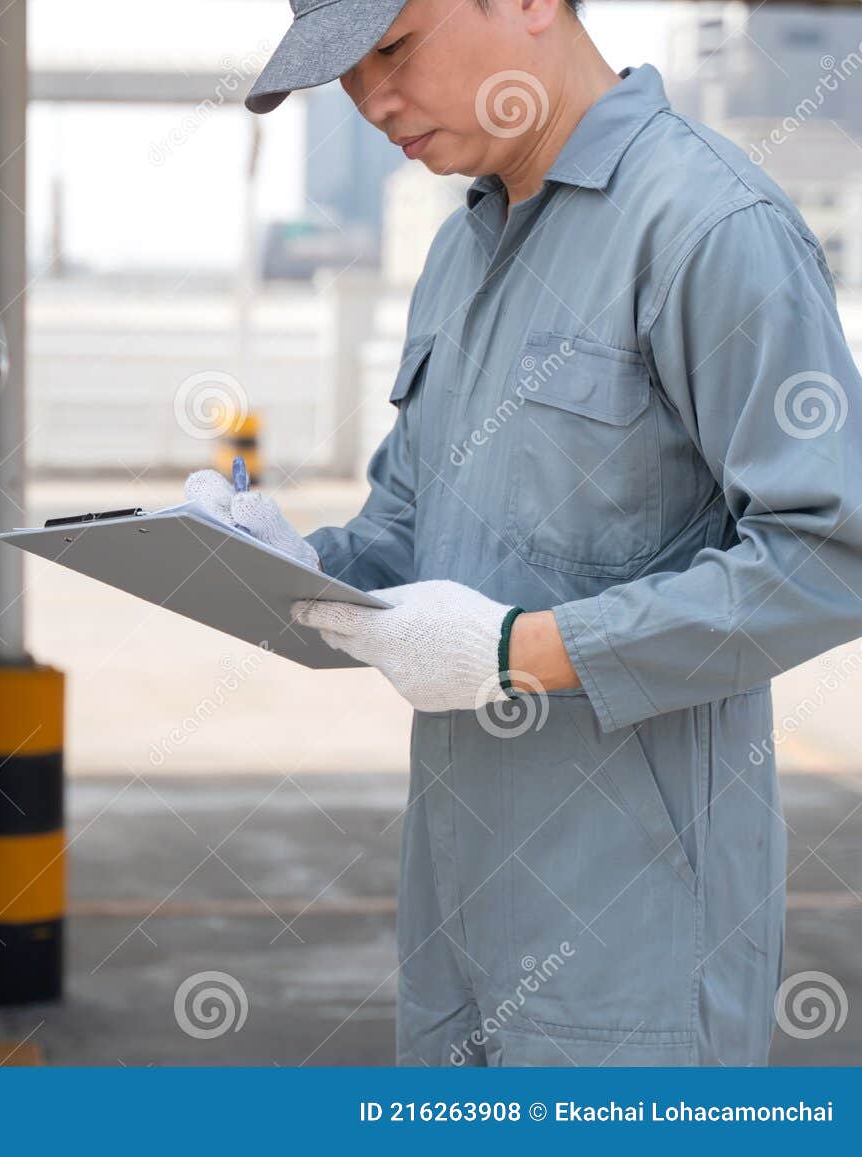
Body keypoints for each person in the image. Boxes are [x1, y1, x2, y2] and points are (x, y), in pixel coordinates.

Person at [185, 0, 862, 1065]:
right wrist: (278, 561)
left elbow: (830, 556)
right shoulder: (463, 254)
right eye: (346, 77)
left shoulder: (707, 228)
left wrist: (518, 653)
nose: (370, 103)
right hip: (456, 936)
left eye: (391, 51)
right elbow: (410, 533)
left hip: (635, 959)